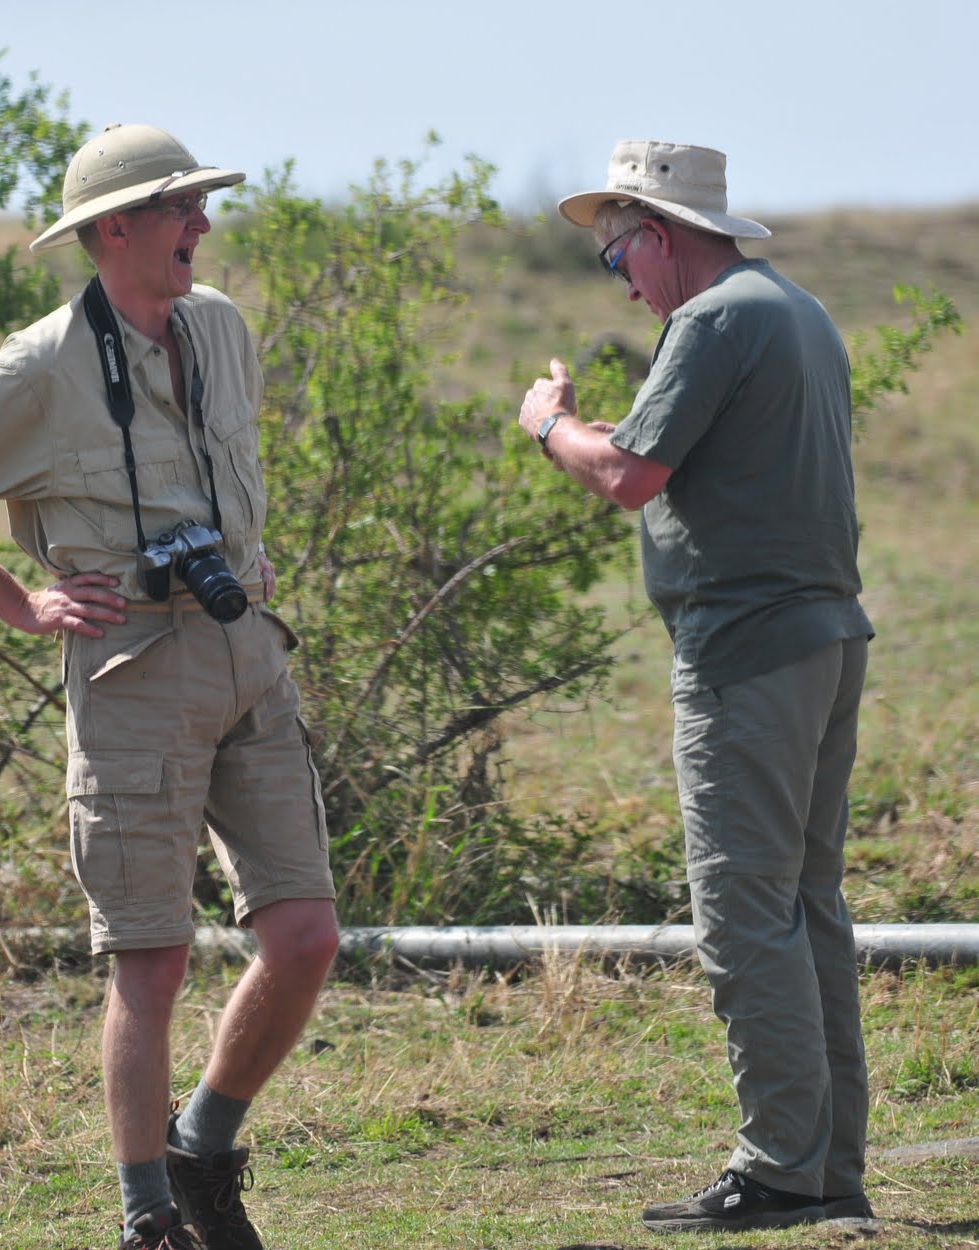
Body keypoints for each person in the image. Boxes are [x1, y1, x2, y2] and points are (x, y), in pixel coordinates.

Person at [0, 123, 339, 1250]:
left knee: (306, 935)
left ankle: (205, 1145)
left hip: (246, 649)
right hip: (131, 668)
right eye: (178, 206)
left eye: (199, 204)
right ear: (111, 229)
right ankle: (146, 1216)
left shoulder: (219, 324)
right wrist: (24, 602)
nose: (201, 223)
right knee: (153, 954)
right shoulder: (41, 364)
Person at [517, 140, 875, 1234]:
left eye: (616, 252)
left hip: (747, 650)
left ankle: (776, 1167)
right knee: (806, 905)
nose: (619, 279)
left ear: (659, 233)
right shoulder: (795, 307)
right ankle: (825, 1173)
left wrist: (546, 424)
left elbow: (627, 473)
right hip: (821, 634)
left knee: (743, 911)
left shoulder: (714, 318)